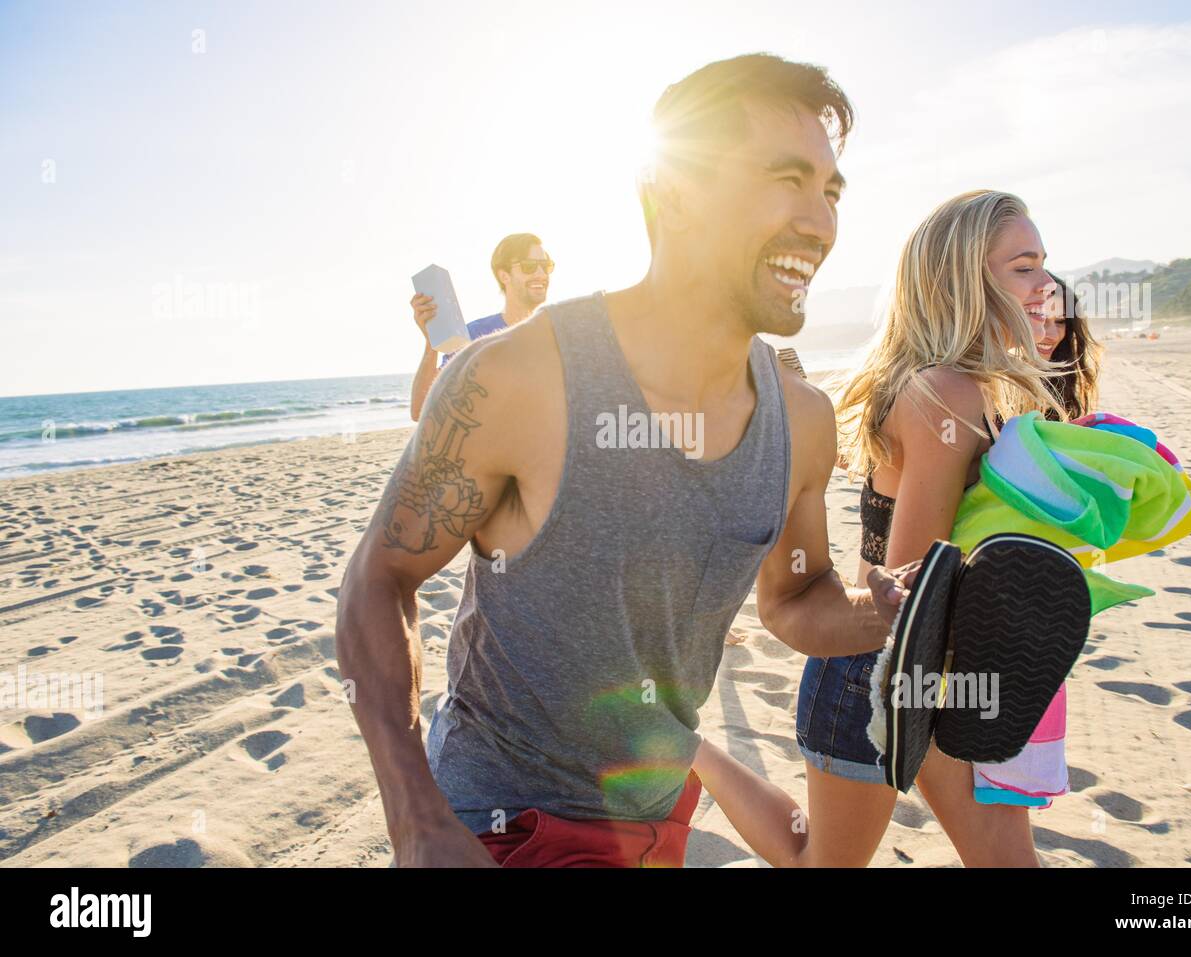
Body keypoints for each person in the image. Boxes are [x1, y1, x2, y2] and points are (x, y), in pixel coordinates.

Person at [336, 52, 916, 868]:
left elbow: (793, 597)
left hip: (654, 814)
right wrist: (417, 821)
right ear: (674, 187)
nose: (820, 223)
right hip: (505, 825)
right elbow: (378, 574)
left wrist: (882, 613)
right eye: (786, 179)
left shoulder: (803, 421)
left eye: (829, 191)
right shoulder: (518, 379)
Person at [692, 190, 1070, 867]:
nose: (1048, 284)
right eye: (1024, 266)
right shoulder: (944, 394)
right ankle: (685, 745)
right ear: (963, 280)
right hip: (881, 675)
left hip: (947, 673)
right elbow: (910, 599)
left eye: (1044, 263)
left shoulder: (978, 389)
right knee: (817, 859)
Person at [407, 233, 553, 420]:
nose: (541, 274)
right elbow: (421, 410)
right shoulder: (475, 337)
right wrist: (431, 341)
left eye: (545, 266)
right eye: (529, 266)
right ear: (504, 275)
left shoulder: (558, 337)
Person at [1036, 271, 1103, 420]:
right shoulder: (986, 386)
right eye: (1040, 319)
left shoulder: (1060, 380)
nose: (1052, 335)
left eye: (1060, 321)